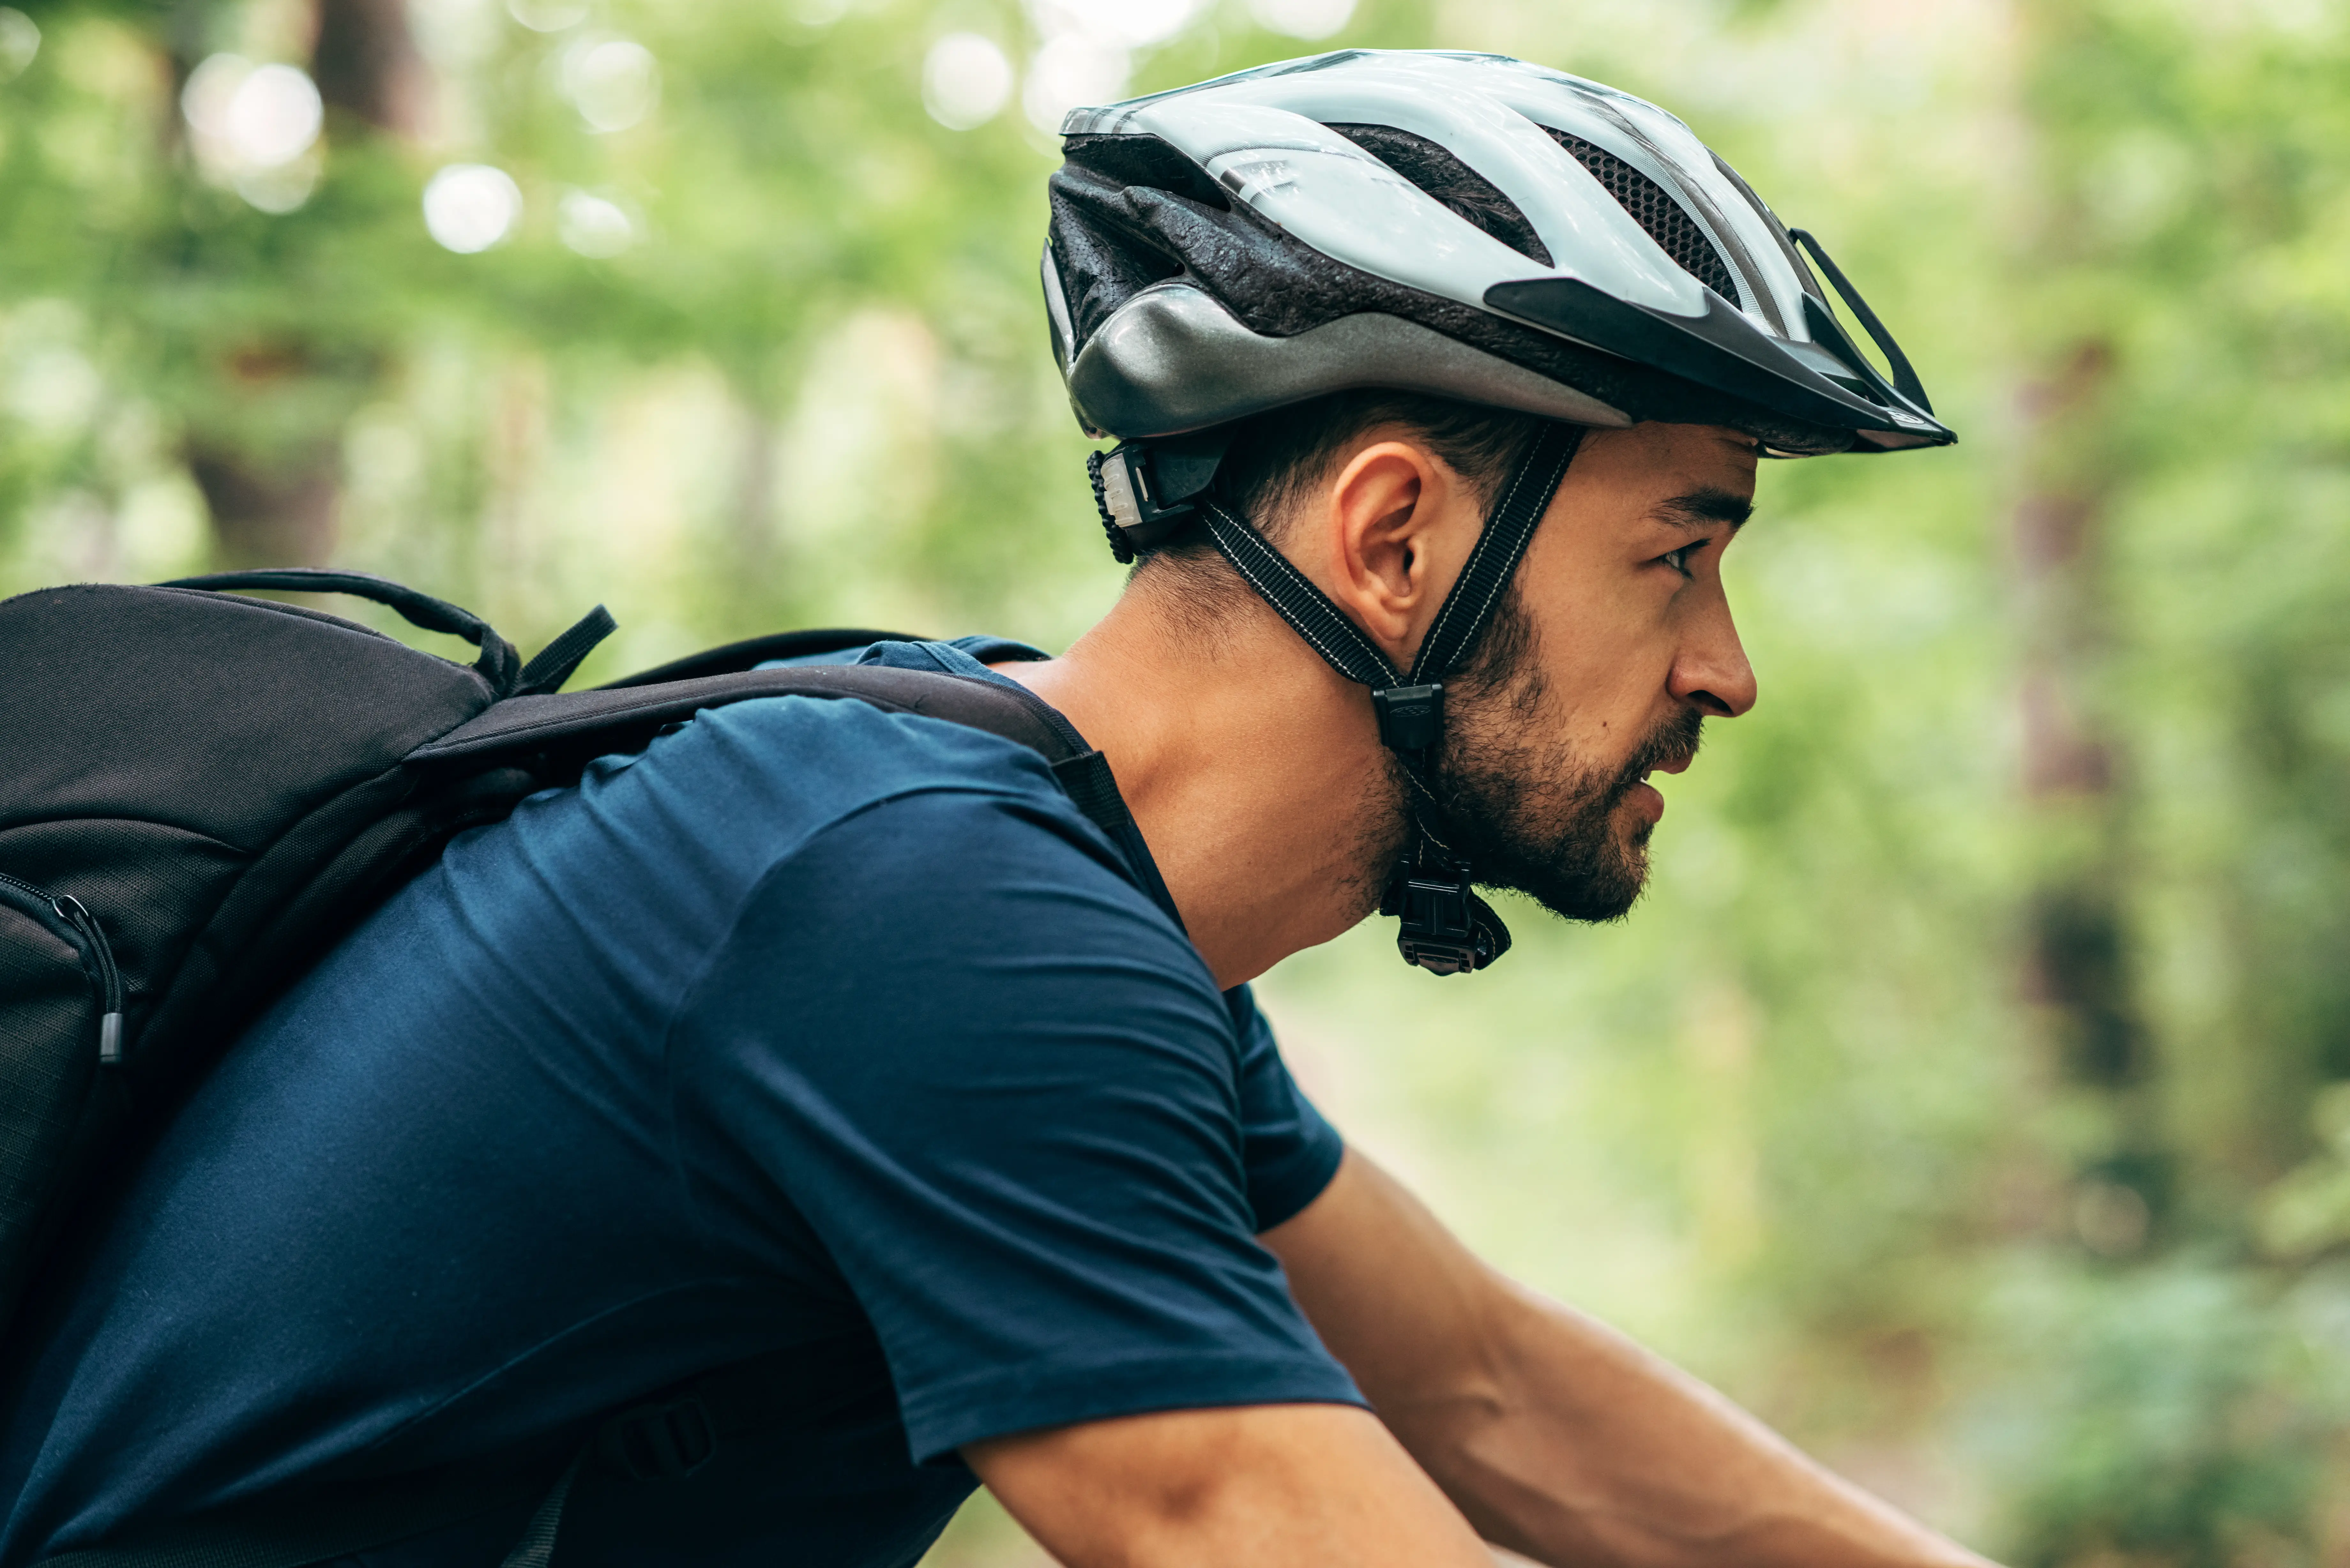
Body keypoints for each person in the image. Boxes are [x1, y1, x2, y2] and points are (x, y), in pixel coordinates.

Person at [0, 49, 1985, 1568]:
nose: (1724, 665)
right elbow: (1241, 1512)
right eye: (1678, 555)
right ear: (1396, 533)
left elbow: (1493, 1389)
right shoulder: (916, 901)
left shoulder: (1005, 853)